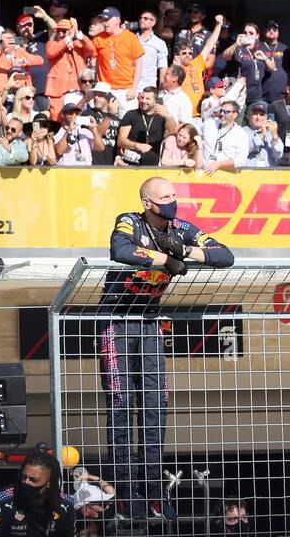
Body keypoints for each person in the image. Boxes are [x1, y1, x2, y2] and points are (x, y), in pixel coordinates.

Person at [97, 176, 234, 518]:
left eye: (174, 195)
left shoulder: (181, 228)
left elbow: (225, 255)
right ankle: (128, 496)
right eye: (165, 197)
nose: (173, 201)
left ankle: (157, 494)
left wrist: (185, 251)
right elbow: (120, 251)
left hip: (150, 320)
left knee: (156, 406)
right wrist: (164, 260)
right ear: (147, 203)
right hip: (115, 320)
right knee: (121, 406)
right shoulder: (130, 220)